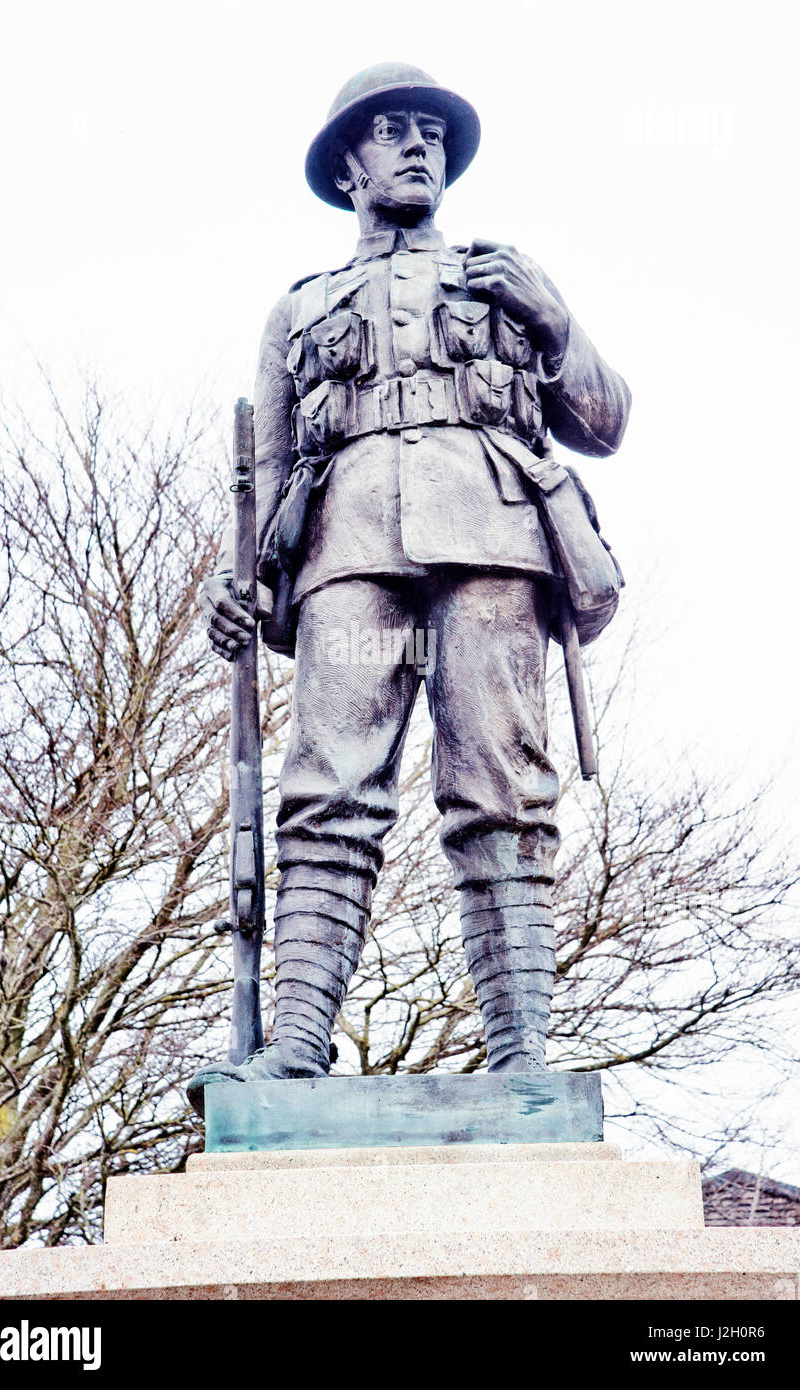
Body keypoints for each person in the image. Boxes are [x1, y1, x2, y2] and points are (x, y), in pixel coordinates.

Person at [199, 63, 631, 1081]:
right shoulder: (298, 308)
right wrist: (246, 583)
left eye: (430, 131)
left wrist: (558, 326)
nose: (415, 145)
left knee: (501, 790)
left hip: (490, 552)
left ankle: (523, 1050)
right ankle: (296, 1045)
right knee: (327, 791)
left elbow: (605, 422)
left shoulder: (506, 278)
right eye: (389, 130)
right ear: (346, 165)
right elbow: (262, 479)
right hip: (347, 559)